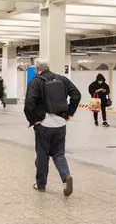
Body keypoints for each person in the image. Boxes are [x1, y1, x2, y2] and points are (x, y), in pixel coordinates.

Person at [23, 59, 81, 196]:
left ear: (37, 69)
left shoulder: (35, 82)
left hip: (44, 125)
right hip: (60, 124)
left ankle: (41, 184)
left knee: (42, 155)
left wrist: (34, 120)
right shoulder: (62, 79)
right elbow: (76, 95)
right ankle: (66, 177)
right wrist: (69, 114)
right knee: (59, 154)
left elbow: (29, 104)